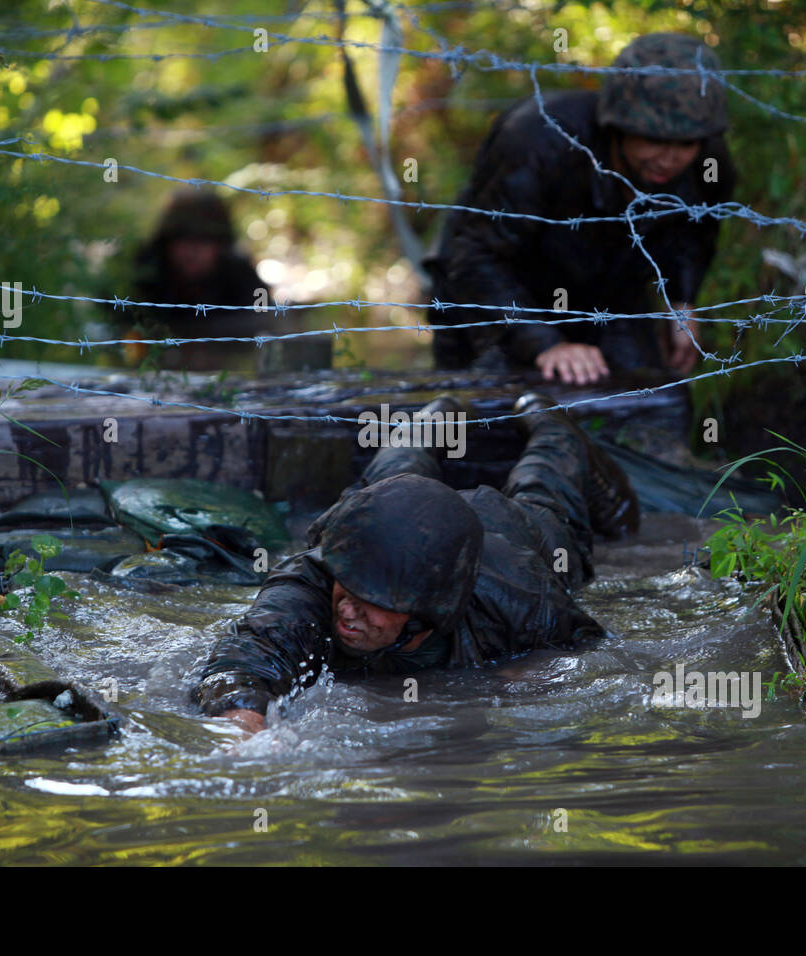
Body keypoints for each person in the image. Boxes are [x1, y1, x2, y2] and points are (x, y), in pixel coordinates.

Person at [193, 393, 640, 733]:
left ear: (429, 611)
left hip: (513, 529)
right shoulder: (315, 577)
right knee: (397, 471)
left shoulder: (521, 594)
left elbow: (586, 645)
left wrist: (528, 670)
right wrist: (244, 727)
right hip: (400, 513)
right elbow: (246, 658)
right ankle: (438, 418)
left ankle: (547, 417)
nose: (347, 610)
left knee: (543, 480)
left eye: (371, 600)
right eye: (346, 588)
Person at [424, 32, 736, 385]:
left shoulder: (706, 162)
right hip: (490, 296)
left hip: (604, 296)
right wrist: (543, 342)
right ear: (617, 126)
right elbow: (476, 257)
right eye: (655, 139)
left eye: (686, 143)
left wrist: (681, 301)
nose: (670, 157)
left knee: (646, 402)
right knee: (483, 416)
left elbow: (694, 234)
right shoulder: (539, 140)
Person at [121, 189, 269, 371]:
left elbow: (262, 322)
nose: (193, 252)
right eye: (183, 239)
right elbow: (117, 321)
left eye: (205, 240)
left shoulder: (240, 274)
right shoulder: (146, 272)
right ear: (166, 244)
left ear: (221, 245)